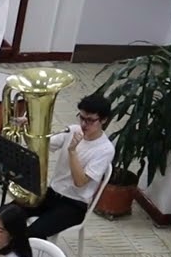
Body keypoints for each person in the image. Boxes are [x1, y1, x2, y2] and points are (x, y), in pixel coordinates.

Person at [24, 94, 116, 239]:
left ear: (104, 120)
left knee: (32, 234)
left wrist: (72, 151)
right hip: (52, 193)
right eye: (82, 117)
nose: (84, 124)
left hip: (74, 205)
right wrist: (28, 128)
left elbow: (80, 182)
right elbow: (38, 145)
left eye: (90, 120)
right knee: (8, 214)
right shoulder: (73, 130)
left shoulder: (105, 149)